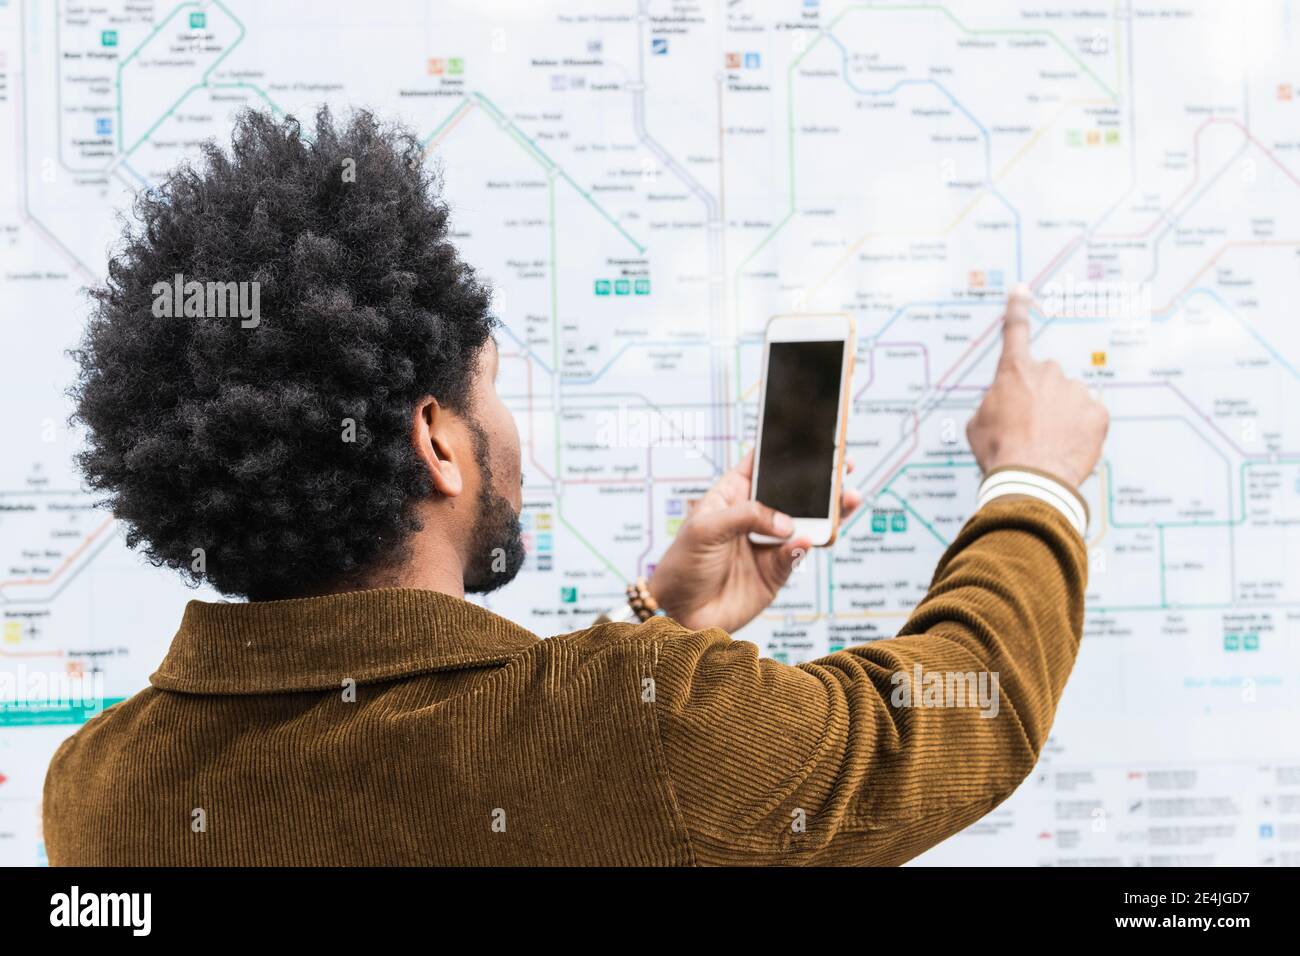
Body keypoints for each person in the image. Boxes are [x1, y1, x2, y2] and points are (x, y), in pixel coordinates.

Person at [44, 107, 1107, 866]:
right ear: (437, 443)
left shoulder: (97, 792)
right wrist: (1033, 475)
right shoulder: (654, 735)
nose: (508, 424)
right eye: (489, 391)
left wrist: (652, 622)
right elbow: (958, 714)